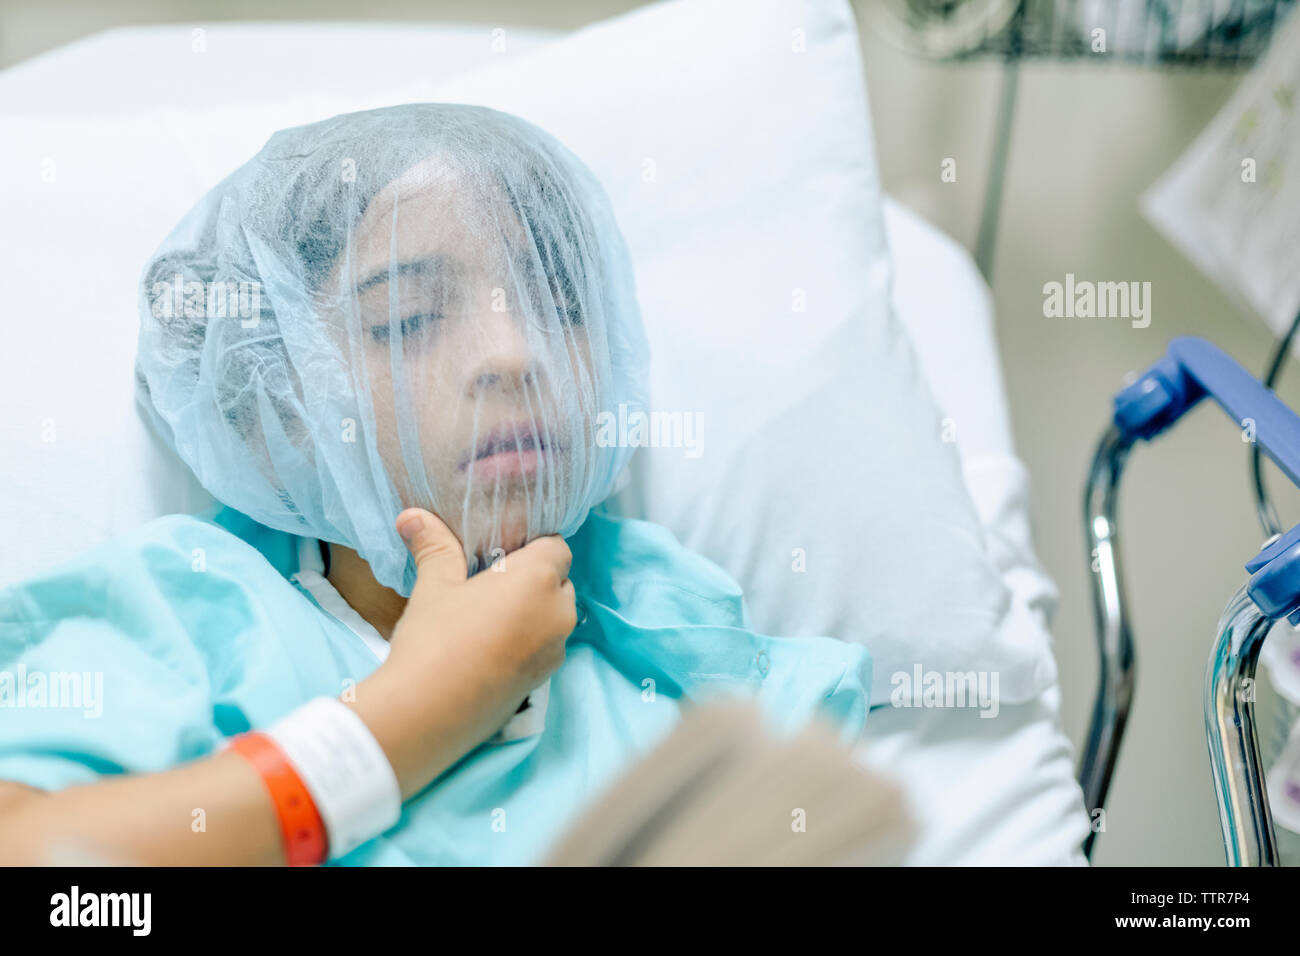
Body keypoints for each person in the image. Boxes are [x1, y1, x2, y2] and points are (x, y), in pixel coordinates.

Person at [0, 104, 870, 865]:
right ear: (280, 401)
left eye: (557, 303)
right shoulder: (189, 620)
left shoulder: (675, 650)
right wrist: (408, 716)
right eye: (407, 317)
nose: (513, 354)